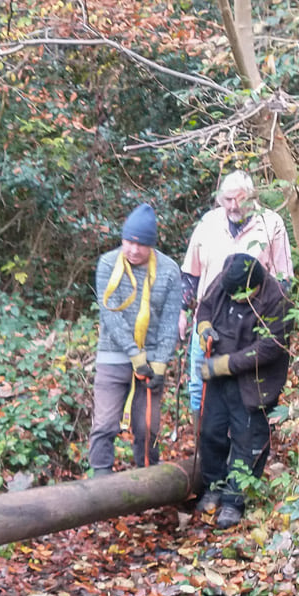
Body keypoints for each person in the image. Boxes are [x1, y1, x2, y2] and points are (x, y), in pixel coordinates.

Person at [181, 172, 294, 412]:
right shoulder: (208, 224)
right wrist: (182, 310)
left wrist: (276, 326)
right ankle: (203, 445)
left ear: (252, 197)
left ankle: (245, 444)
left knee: (245, 391)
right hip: (209, 320)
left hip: (251, 325)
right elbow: (191, 274)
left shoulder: (271, 224)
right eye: (227, 200)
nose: (233, 206)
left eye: (239, 199)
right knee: (198, 388)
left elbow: (284, 279)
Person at [194, 254, 292, 529]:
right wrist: (204, 329)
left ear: (255, 286)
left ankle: (233, 502)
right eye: (232, 294)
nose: (235, 298)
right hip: (218, 372)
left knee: (247, 439)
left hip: (254, 380)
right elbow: (205, 308)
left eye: (242, 295)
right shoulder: (227, 278)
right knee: (211, 431)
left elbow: (268, 348)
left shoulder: (277, 299)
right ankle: (214, 485)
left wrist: (226, 364)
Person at [90, 202, 182, 473]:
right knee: (105, 422)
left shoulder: (169, 270)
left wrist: (160, 364)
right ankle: (100, 481)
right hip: (113, 354)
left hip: (153, 356)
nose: (133, 249)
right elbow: (110, 314)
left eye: (140, 244)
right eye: (128, 242)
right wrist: (133, 353)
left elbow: (168, 322)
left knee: (147, 427)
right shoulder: (108, 263)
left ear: (151, 245)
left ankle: (147, 478)